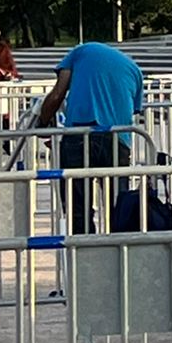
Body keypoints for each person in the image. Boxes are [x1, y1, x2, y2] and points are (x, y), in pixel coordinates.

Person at [34, 39, 145, 235]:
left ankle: (84, 256)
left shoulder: (77, 54)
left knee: (77, 205)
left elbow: (57, 94)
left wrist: (42, 123)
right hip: (118, 139)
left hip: (79, 135)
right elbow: (131, 110)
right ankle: (119, 254)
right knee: (118, 205)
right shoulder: (134, 70)